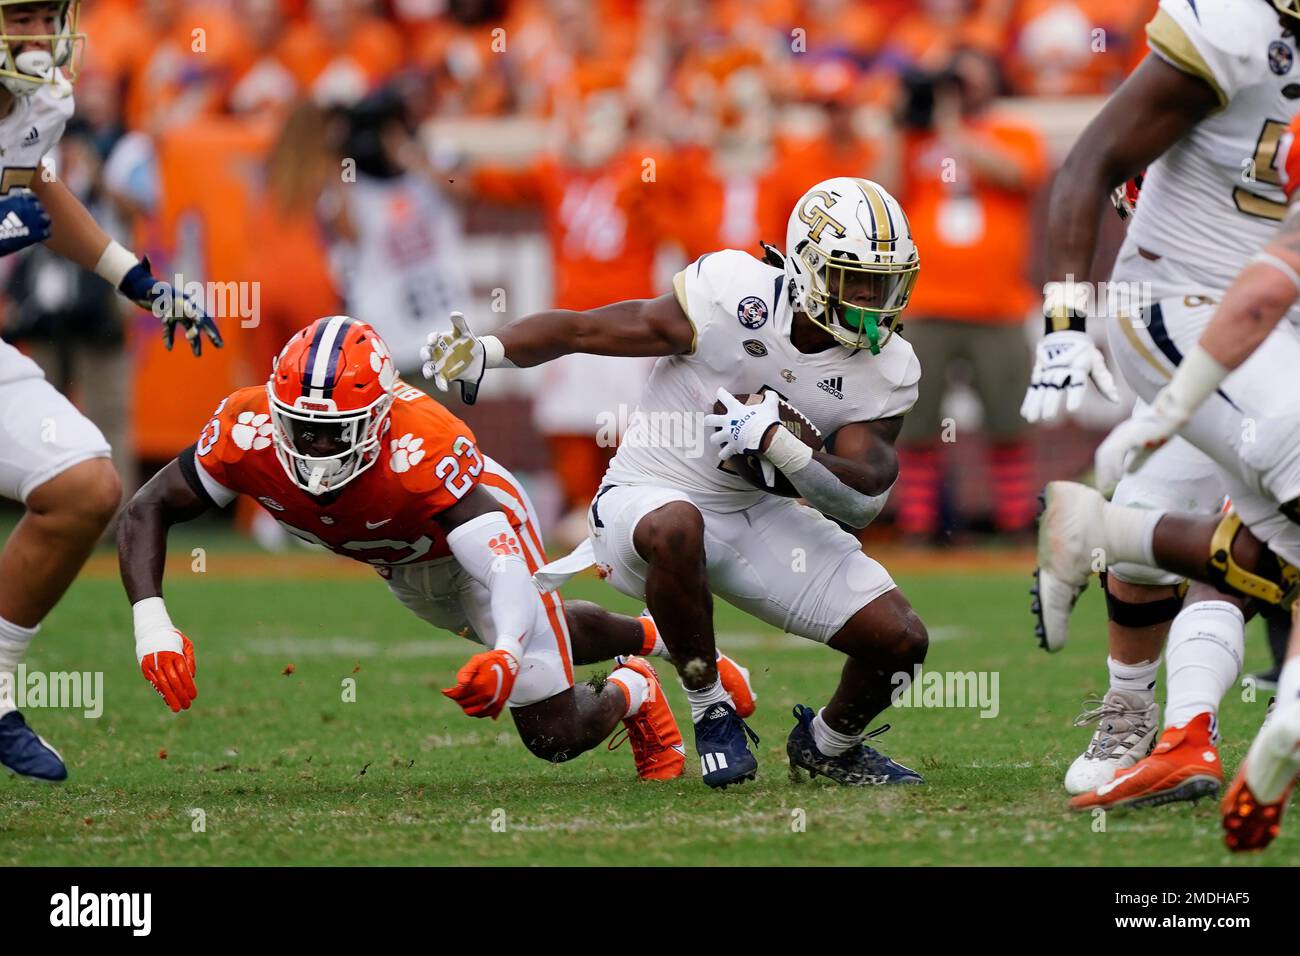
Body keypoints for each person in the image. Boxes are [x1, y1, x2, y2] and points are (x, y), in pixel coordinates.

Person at [424, 177, 929, 790]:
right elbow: (591, 329)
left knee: (901, 641)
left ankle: (829, 746)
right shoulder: (732, 295)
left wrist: (783, 448)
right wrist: (493, 350)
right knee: (676, 524)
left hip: (756, 515)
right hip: (645, 496)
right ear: (808, 268)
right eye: (859, 281)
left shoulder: (889, 368)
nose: (875, 301)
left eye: (888, 282)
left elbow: (863, 497)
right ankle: (710, 703)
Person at [117, 315, 754, 781]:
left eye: (331, 431)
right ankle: (655, 637)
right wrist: (153, 624)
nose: (313, 449)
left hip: (473, 538)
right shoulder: (246, 428)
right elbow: (147, 507)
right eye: (300, 428)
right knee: (544, 632)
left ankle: (635, 690)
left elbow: (500, 563)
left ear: (379, 417)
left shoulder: (421, 448)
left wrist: (505, 654)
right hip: (401, 560)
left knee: (554, 733)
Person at [1021, 0, 1300, 805]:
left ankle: (1188, 735)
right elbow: (1091, 165)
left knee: (1275, 544)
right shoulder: (1234, 28)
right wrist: (1067, 326)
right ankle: (1132, 707)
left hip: (1273, 322)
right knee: (1197, 525)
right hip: (1184, 308)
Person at [0, 0, 220, 782]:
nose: (32, 35)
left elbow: (35, 189)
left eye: (39, 16)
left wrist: (141, 282)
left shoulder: (43, 98)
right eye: (14, 15)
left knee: (86, 485)